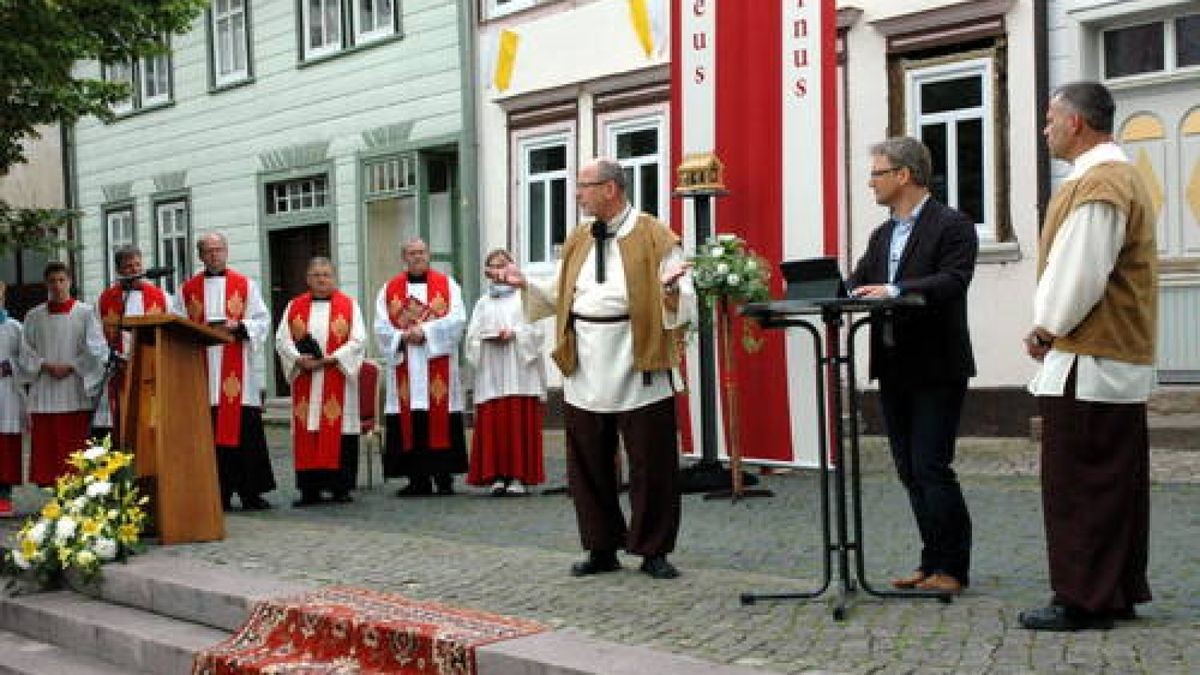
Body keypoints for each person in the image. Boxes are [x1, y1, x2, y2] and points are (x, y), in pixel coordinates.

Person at [490, 157, 694, 580]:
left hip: (637, 356)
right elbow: (564, 291)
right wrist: (524, 281)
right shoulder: (579, 238)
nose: (577, 194)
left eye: (584, 186)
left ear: (611, 189)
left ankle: (653, 550)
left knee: (650, 462)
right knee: (587, 461)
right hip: (584, 358)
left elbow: (682, 294)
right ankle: (601, 546)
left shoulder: (655, 234)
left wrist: (673, 288)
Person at [1018, 81, 1157, 632]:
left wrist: (1045, 329)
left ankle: (1082, 597)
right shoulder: (1114, 176)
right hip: (1108, 359)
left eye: (1051, 118)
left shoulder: (1101, 181)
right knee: (1113, 483)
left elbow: (1080, 272)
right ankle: (1113, 590)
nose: (1046, 128)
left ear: (1076, 122)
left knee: (1079, 486)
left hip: (1089, 360)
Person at [847, 136, 977, 595]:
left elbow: (953, 280)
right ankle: (930, 560)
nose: (870, 182)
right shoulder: (882, 233)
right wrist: (826, 288)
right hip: (893, 364)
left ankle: (954, 568)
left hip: (938, 365)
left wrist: (896, 290)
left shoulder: (952, 225)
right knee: (906, 468)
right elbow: (859, 282)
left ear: (903, 175)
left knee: (931, 465)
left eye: (877, 173)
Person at [175, 232, 276, 511]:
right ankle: (215, 493)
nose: (214, 255)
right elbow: (177, 324)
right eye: (208, 251)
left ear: (226, 251)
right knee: (209, 437)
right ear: (200, 256)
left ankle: (250, 492)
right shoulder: (187, 290)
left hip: (238, 373)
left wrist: (240, 326)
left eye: (219, 249)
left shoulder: (245, 285)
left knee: (245, 435)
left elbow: (262, 320)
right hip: (204, 371)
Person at [374, 237, 468, 497]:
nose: (418, 256)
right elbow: (381, 326)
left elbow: (458, 319)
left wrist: (425, 331)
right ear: (404, 257)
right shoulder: (389, 289)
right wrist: (402, 336)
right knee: (411, 418)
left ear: (429, 255)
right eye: (412, 253)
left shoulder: (447, 285)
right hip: (407, 362)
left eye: (422, 252)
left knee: (439, 417)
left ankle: (444, 477)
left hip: (435, 361)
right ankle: (417, 479)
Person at [274, 257, 366, 507]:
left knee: (339, 430)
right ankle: (309, 490)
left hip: (336, 375)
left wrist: (333, 359)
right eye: (316, 274)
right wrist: (298, 359)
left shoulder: (350, 306)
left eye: (326, 274)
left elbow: (358, 340)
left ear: (334, 277)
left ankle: (341, 488)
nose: (321, 279)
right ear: (307, 279)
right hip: (306, 378)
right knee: (308, 429)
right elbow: (282, 340)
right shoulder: (294, 306)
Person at [465, 248, 547, 496]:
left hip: (519, 369)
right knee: (494, 423)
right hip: (492, 369)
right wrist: (484, 339)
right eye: (494, 266)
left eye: (503, 264)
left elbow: (538, 331)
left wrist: (516, 334)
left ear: (512, 267)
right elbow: (471, 337)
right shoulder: (483, 303)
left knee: (517, 422)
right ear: (487, 272)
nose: (499, 271)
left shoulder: (525, 297)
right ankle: (496, 476)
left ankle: (519, 476)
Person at [19, 262, 108, 487]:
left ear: (70, 281)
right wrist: (44, 365)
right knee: (47, 447)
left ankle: (78, 492)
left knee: (73, 447)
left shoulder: (86, 313)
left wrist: (72, 366)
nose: (57, 286)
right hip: (45, 390)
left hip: (74, 389)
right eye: (52, 281)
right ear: (46, 284)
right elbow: (25, 350)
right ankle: (50, 491)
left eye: (61, 280)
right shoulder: (34, 316)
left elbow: (96, 348)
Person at [92, 245, 170, 438]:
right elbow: (94, 338)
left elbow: (172, 330)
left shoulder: (161, 297)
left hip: (151, 368)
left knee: (150, 424)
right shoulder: (105, 300)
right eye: (129, 266)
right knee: (124, 423)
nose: (135, 270)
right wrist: (111, 357)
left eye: (137, 265)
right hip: (120, 370)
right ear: (119, 270)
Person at [0, 282, 26, 518]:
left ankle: (5, 494)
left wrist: (9, 367)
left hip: (7, 390)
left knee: (6, 444)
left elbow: (25, 359)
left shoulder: (14, 327)